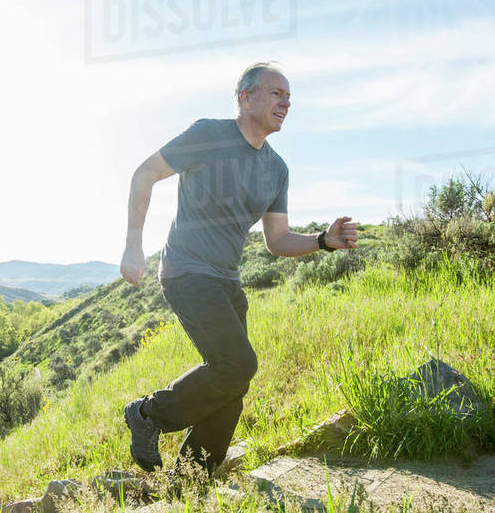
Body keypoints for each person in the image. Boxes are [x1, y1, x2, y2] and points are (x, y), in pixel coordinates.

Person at [119, 61, 359, 477]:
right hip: (186, 270)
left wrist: (322, 241)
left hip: (227, 280)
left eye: (289, 97)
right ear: (245, 97)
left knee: (231, 379)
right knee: (237, 365)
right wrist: (134, 245)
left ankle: (193, 478)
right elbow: (145, 175)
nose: (285, 102)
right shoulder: (208, 135)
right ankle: (148, 414)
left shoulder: (277, 169)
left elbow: (278, 240)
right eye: (275, 93)